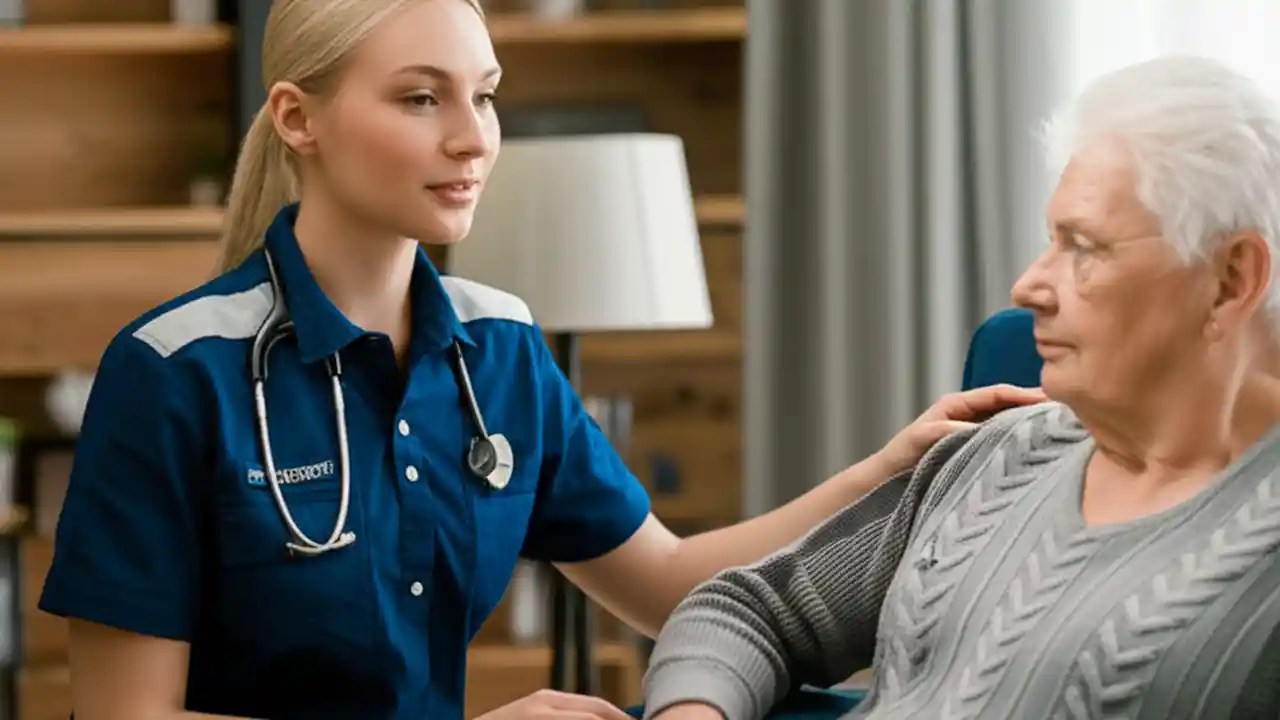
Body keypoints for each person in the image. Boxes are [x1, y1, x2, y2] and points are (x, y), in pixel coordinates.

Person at [36, 1, 1044, 719]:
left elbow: (667, 584)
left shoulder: (500, 350)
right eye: (421, 100)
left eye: (484, 96)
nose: (473, 139)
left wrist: (887, 470)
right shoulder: (172, 372)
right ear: (300, 118)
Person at [641, 54, 1280, 720]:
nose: (1029, 286)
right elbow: (746, 609)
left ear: (1231, 279)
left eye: (1084, 247)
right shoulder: (998, 455)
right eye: (1049, 241)